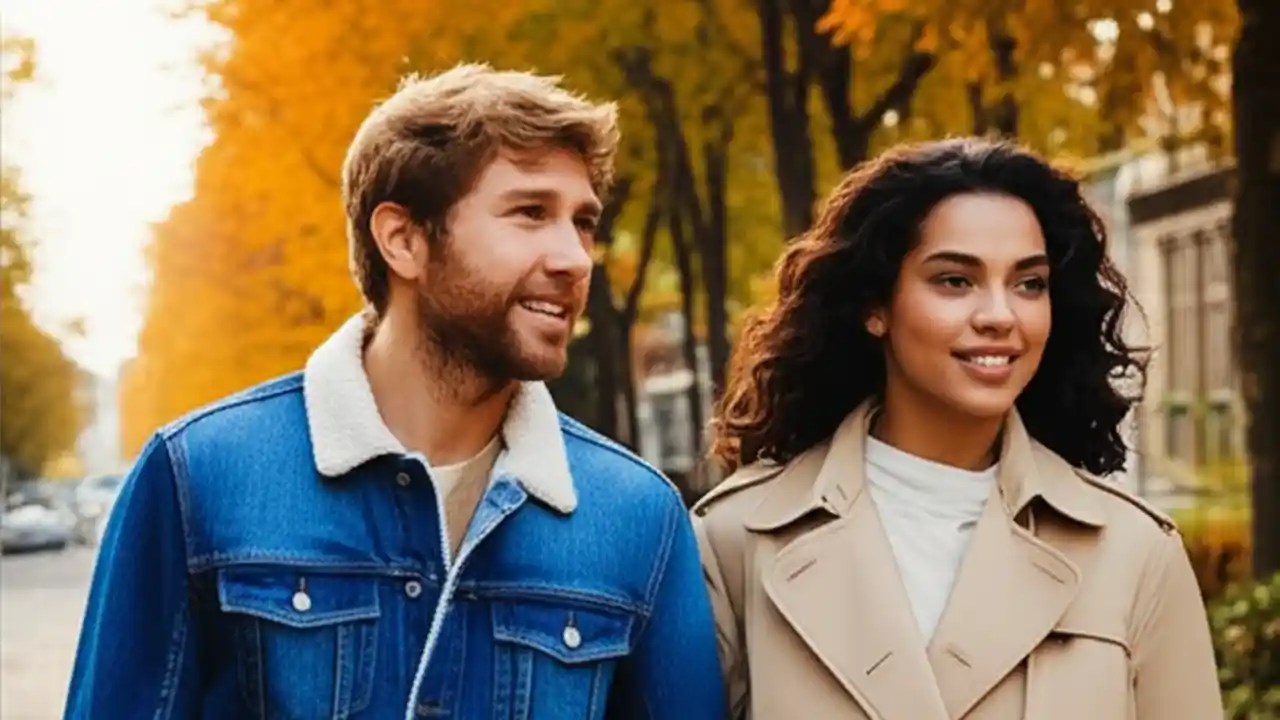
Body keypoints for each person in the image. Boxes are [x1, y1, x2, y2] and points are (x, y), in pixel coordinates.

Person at [65, 64, 725, 720]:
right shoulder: (198, 478)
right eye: (530, 213)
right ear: (403, 241)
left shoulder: (639, 517)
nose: (576, 258)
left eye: (583, 222)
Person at [693, 138, 1222, 719]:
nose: (999, 316)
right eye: (955, 281)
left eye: (1029, 284)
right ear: (876, 306)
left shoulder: (1133, 553)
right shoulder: (737, 541)